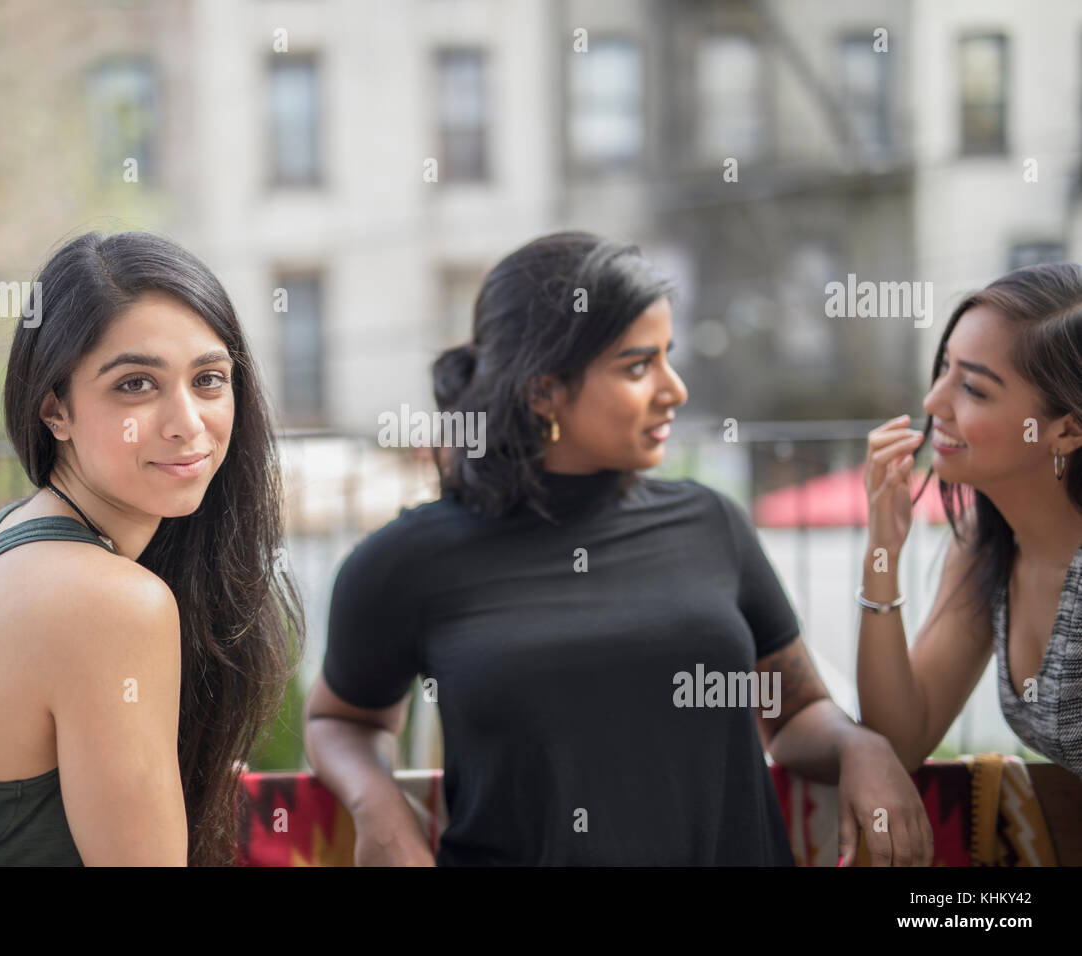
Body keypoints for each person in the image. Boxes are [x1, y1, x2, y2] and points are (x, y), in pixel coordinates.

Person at [304, 231, 931, 866]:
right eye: (638, 366)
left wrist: (861, 748)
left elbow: (794, 716)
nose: (674, 389)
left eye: (668, 356)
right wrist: (377, 809)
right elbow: (340, 721)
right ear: (543, 390)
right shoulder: (406, 560)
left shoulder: (712, 523)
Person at [0, 230, 302, 866]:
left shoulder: (14, 534)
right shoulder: (106, 600)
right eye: (136, 385)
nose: (187, 422)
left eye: (208, 379)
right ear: (54, 411)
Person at [857, 263, 1082, 780]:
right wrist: (882, 553)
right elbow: (900, 739)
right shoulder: (986, 542)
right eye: (944, 369)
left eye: (974, 390)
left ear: (1066, 430)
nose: (934, 402)